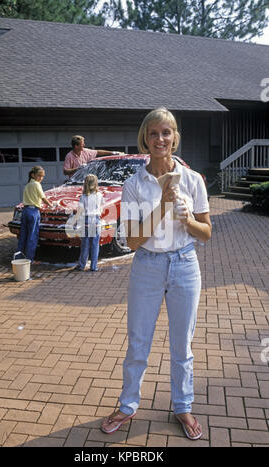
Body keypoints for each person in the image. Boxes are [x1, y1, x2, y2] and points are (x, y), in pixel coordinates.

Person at [101, 107, 212, 440]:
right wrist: (163, 205)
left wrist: (187, 220)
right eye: (153, 133)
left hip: (184, 264)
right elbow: (133, 241)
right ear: (145, 140)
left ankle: (183, 405)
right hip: (147, 265)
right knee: (138, 341)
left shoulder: (193, 180)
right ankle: (128, 404)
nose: (160, 138)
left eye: (166, 132)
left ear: (175, 137)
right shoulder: (134, 184)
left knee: (183, 344)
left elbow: (206, 232)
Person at [16, 166, 54, 264]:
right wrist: (51, 205)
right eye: (39, 176)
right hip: (33, 212)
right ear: (33, 175)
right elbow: (43, 197)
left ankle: (19, 257)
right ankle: (30, 259)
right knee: (32, 237)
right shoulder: (36, 184)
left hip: (25, 211)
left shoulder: (28, 184)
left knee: (23, 235)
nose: (41, 178)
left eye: (42, 176)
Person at [72, 174, 104, 272]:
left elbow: (80, 210)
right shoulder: (100, 195)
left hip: (86, 221)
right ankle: (93, 266)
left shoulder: (83, 196)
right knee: (95, 245)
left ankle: (82, 265)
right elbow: (101, 208)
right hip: (96, 221)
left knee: (85, 244)